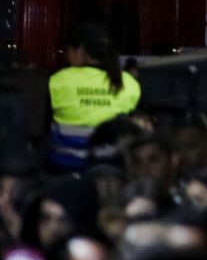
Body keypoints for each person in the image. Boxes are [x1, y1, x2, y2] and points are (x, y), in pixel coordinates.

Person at [48, 23, 141, 170]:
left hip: (64, 166)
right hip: (112, 166)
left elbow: (42, 127)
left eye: (69, 51)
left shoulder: (58, 80)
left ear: (79, 51)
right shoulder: (129, 83)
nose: (67, 57)